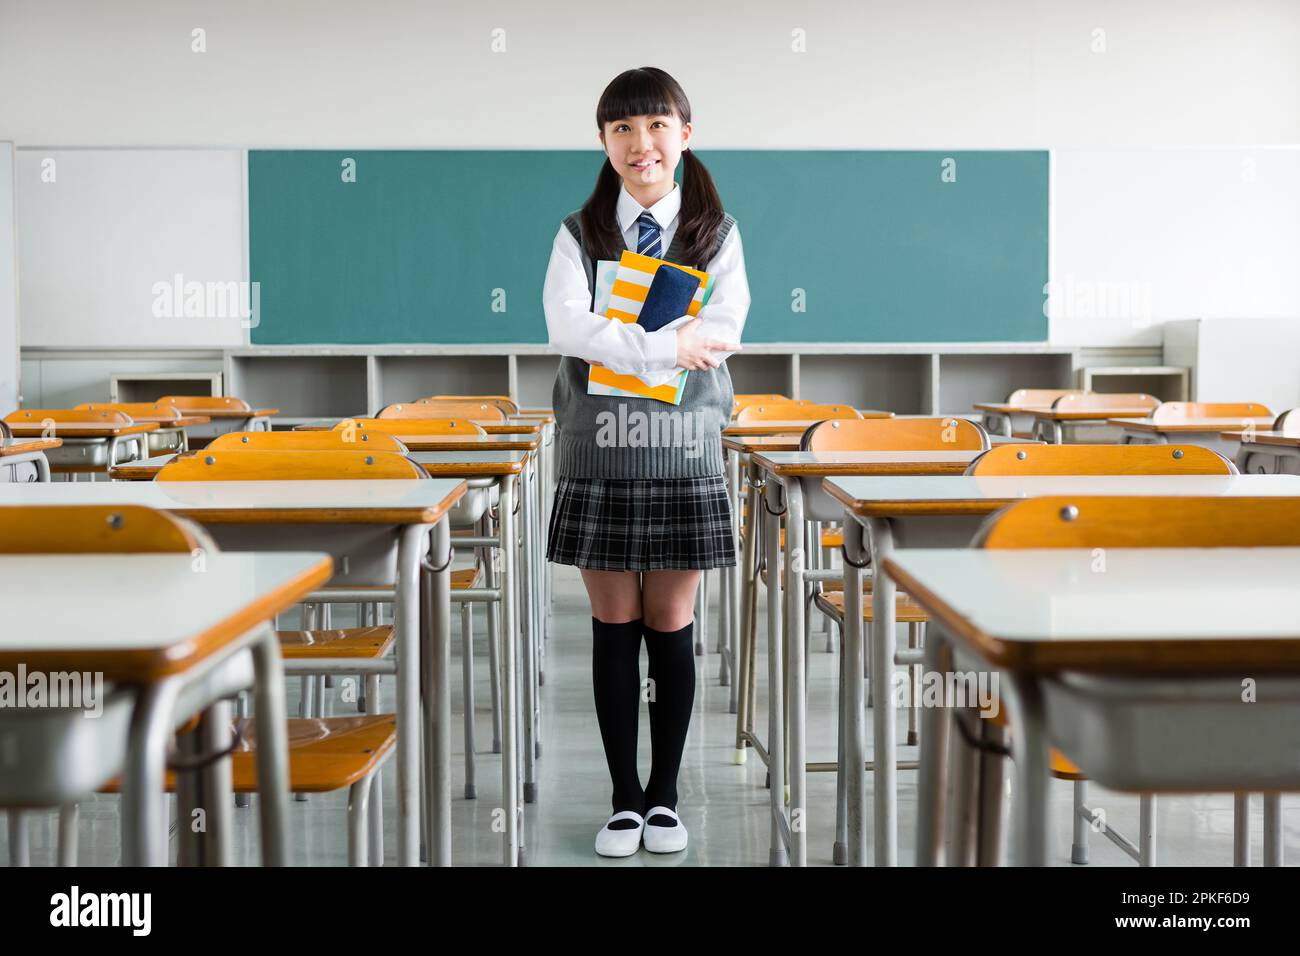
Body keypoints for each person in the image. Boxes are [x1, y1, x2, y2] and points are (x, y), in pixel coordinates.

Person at [543, 66, 751, 857]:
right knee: (611, 621)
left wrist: (622, 339)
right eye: (622, 129)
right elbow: (566, 327)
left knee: (669, 621)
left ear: (685, 135)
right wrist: (667, 344)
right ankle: (621, 800)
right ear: (604, 142)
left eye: (656, 125)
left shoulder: (717, 233)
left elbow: (725, 328)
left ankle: (663, 797)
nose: (641, 143)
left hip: (682, 449)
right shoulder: (579, 231)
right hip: (599, 451)